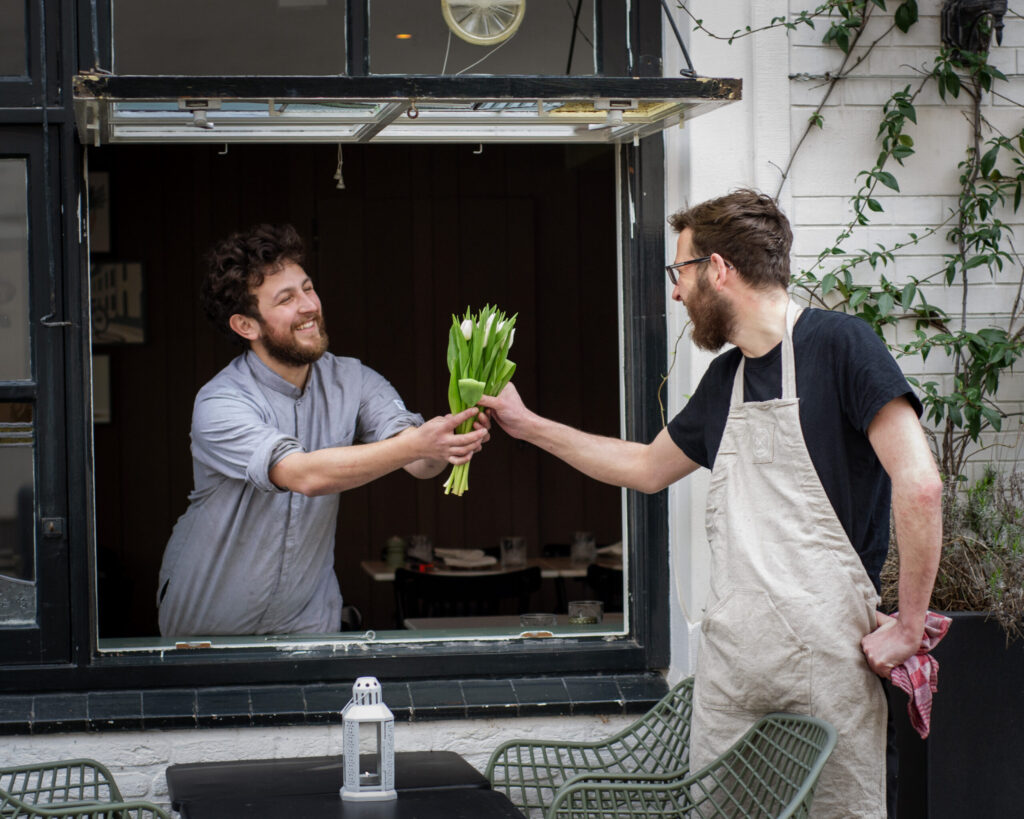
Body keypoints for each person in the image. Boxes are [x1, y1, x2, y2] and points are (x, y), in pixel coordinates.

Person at [478, 189, 942, 818]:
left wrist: (911, 627)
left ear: (718, 269)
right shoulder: (728, 380)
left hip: (826, 664)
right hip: (733, 670)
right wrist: (527, 424)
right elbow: (645, 468)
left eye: (680, 272)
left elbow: (919, 486)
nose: (676, 293)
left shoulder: (841, 347)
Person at [158, 224, 488, 636]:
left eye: (308, 288)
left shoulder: (353, 378)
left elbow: (418, 461)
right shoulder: (221, 402)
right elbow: (303, 475)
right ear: (246, 326)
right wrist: (419, 444)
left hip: (307, 623)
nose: (309, 305)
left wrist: (448, 441)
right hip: (209, 625)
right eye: (287, 298)